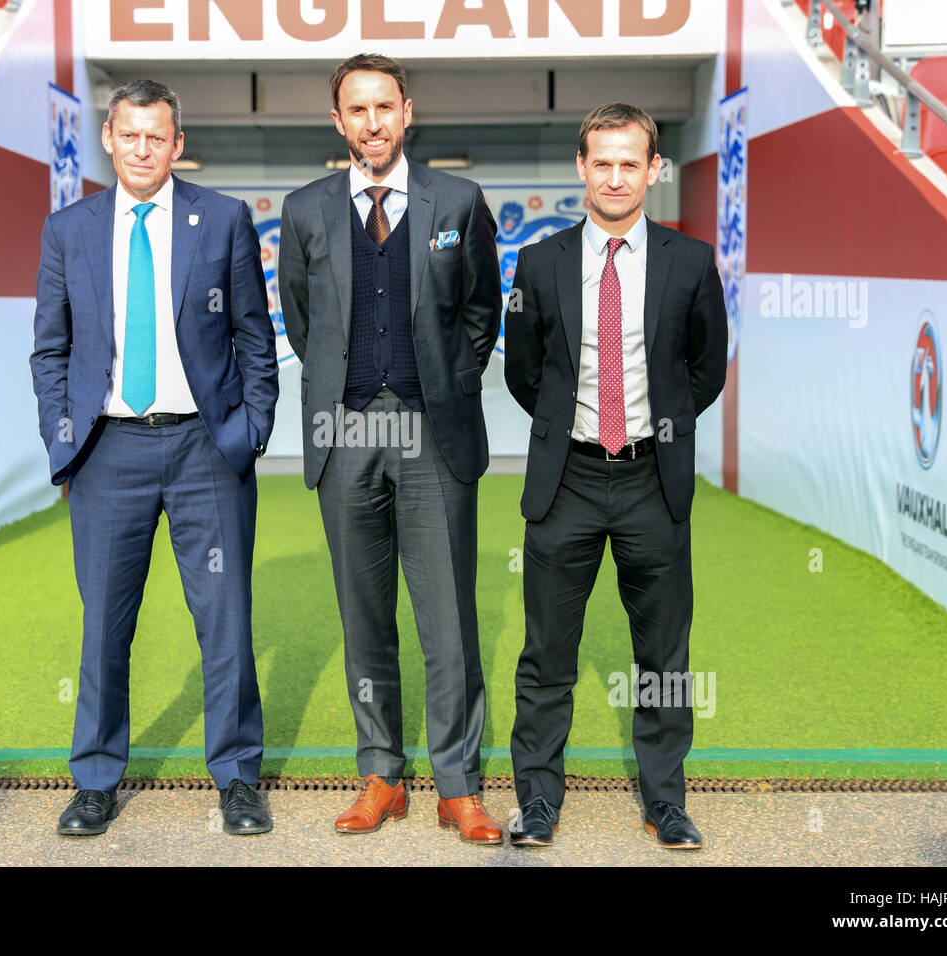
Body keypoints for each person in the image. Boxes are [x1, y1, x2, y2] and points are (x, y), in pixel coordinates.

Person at [30, 79, 279, 837]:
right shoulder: (68, 229)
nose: (142, 149)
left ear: (177, 143)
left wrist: (246, 433)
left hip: (208, 448)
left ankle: (237, 779)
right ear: (109, 138)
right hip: (110, 453)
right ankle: (97, 781)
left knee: (226, 622)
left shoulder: (225, 220)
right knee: (104, 624)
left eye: (157, 137)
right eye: (129, 135)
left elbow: (254, 341)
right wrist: (66, 444)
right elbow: (51, 349)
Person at [278, 53, 504, 844]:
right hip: (344, 433)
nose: (372, 122)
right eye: (356, 110)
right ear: (338, 122)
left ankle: (458, 786)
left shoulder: (460, 200)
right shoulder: (305, 210)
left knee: (448, 622)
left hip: (431, 436)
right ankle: (381, 773)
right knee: (364, 617)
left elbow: (482, 315)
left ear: (408, 110)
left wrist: (441, 385)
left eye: (384, 106)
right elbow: (303, 325)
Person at [502, 102, 727, 849]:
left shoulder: (690, 262)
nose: (616, 176)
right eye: (603, 161)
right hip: (564, 478)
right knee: (546, 656)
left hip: (650, 482)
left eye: (631, 162)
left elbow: (704, 368)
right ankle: (536, 802)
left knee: (663, 656)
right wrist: (571, 432)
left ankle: (666, 802)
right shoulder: (540, 263)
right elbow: (526, 371)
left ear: (654, 170)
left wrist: (655, 433)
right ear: (581, 167)